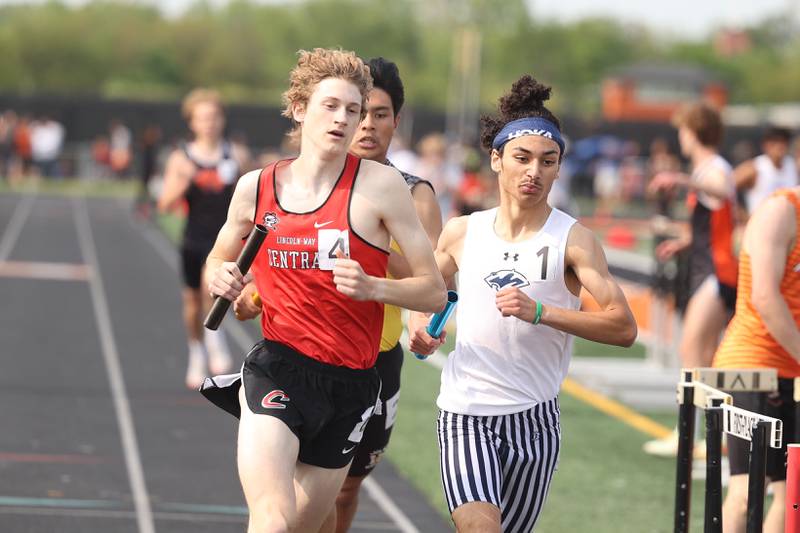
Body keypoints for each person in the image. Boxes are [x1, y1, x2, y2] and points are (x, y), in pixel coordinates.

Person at [201, 48, 446, 533]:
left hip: (351, 383)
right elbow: (217, 259)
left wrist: (374, 286)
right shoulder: (258, 186)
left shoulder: (384, 188)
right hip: (279, 367)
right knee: (272, 518)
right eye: (330, 106)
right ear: (299, 108)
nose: (343, 120)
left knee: (303, 526)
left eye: (353, 110)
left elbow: (435, 293)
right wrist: (220, 278)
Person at [409, 75, 637, 533]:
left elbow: (623, 327)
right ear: (496, 159)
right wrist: (419, 326)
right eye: (522, 158)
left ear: (558, 168)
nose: (534, 171)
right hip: (466, 410)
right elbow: (425, 290)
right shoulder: (462, 232)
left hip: (535, 418)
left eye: (548, 161)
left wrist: (542, 312)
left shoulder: (574, 240)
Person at [643, 102, 738, 456]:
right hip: (707, 267)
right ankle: (717, 435)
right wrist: (684, 242)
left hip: (716, 272)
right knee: (707, 356)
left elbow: (723, 190)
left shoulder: (714, 168)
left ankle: (690, 433)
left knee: (691, 350)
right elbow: (718, 221)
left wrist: (680, 179)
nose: (680, 137)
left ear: (694, 131)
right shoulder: (705, 170)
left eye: (683, 130)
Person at [712, 187, 800, 533]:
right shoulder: (782, 210)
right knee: (749, 490)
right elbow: (765, 296)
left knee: (792, 492)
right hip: (753, 363)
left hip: (792, 369)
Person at [157, 88, 250, 389]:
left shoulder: (235, 155)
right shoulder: (181, 158)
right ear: (192, 123)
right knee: (192, 302)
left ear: (221, 120)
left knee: (209, 287)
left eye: (214, 117)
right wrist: (189, 179)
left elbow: (254, 196)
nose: (209, 123)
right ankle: (196, 351)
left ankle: (215, 339)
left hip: (223, 239)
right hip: (193, 238)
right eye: (202, 118)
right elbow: (164, 204)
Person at [734, 126, 797, 216]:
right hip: (761, 224)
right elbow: (727, 188)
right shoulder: (755, 168)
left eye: (784, 141)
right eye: (775, 141)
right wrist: (741, 214)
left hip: (787, 225)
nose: (780, 145)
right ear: (766, 145)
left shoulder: (792, 166)